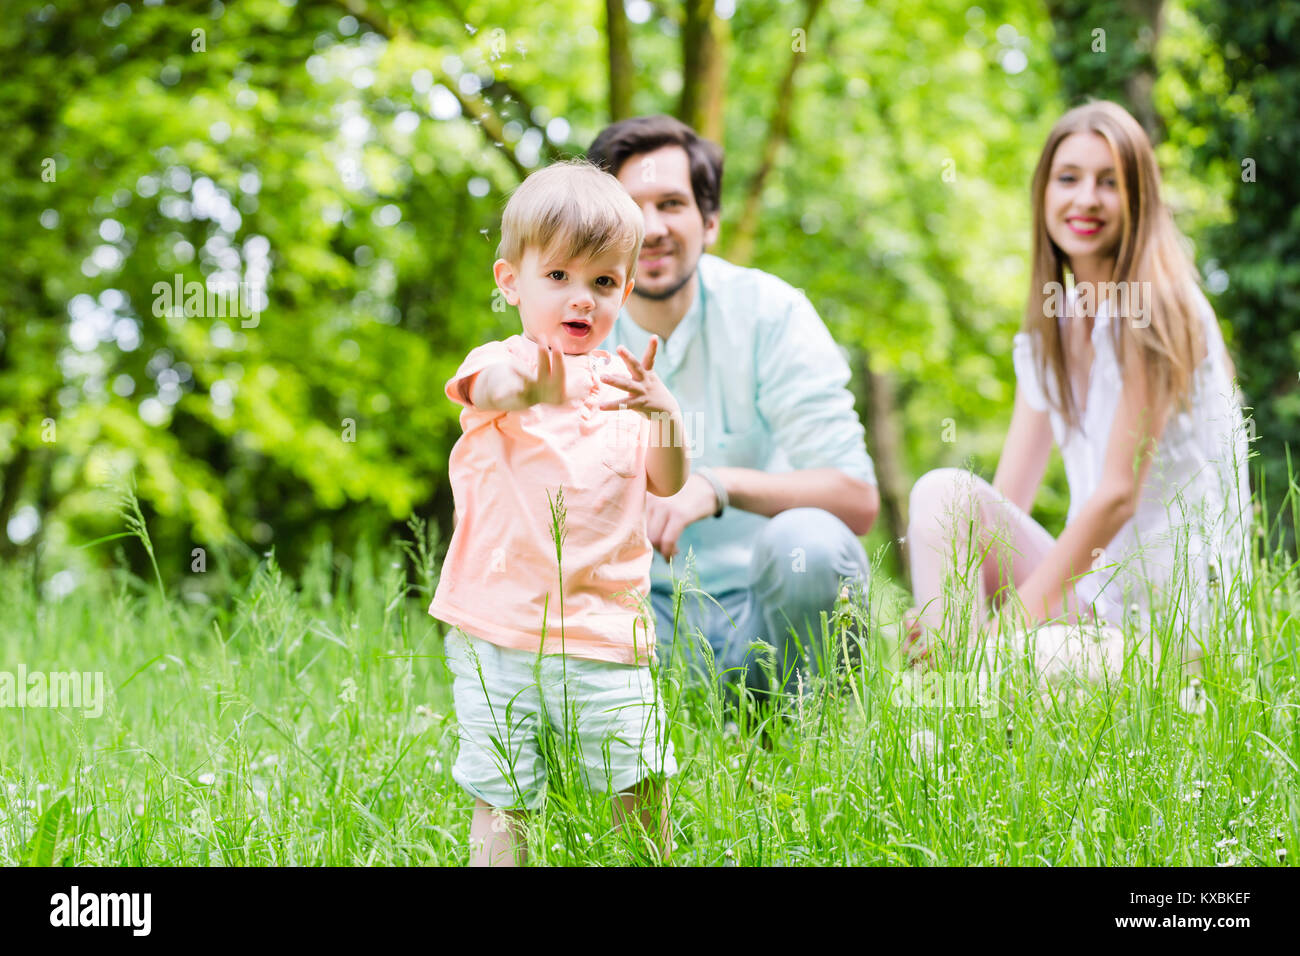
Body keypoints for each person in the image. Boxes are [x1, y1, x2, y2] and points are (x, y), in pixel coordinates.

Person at [904, 101, 1252, 672]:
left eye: (1109, 182)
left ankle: (958, 687)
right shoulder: (1053, 329)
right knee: (943, 494)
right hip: (1097, 601)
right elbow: (1006, 501)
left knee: (1014, 660)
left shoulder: (1158, 306)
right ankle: (950, 680)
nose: (1085, 198)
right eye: (1069, 178)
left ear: (1139, 199)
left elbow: (1118, 495)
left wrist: (1002, 630)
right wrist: (954, 615)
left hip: (1174, 628)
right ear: (1044, 193)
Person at [429, 159, 689, 866]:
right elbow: (495, 387)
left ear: (625, 291)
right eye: (559, 277)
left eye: (603, 282)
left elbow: (667, 480)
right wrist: (530, 386)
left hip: (607, 633)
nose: (582, 299)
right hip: (502, 631)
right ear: (510, 280)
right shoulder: (504, 360)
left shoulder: (627, 386)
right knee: (503, 795)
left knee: (639, 790)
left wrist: (664, 412)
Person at [586, 115, 880, 702]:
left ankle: (810, 737)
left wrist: (717, 486)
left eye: (672, 203)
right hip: (631, 628)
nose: (651, 226)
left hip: (761, 622)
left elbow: (856, 496)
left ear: (710, 222)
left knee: (812, 544)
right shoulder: (569, 327)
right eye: (630, 206)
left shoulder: (772, 313)